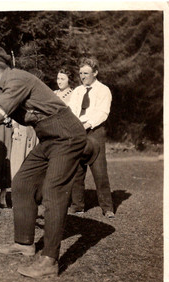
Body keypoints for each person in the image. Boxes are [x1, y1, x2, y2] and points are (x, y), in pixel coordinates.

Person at [0, 44, 97, 278]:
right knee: (22, 183)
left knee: (53, 192)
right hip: (49, 136)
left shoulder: (16, 79)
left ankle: (50, 260)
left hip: (67, 135)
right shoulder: (2, 85)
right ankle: (24, 243)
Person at [67, 57, 114, 218]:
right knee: (77, 170)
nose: (82, 76)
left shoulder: (103, 90)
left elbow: (103, 112)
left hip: (94, 131)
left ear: (95, 73)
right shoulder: (77, 91)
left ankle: (107, 208)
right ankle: (77, 205)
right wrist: (74, 127)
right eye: (80, 73)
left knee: (99, 170)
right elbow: (72, 110)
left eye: (86, 73)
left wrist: (88, 124)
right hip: (77, 132)